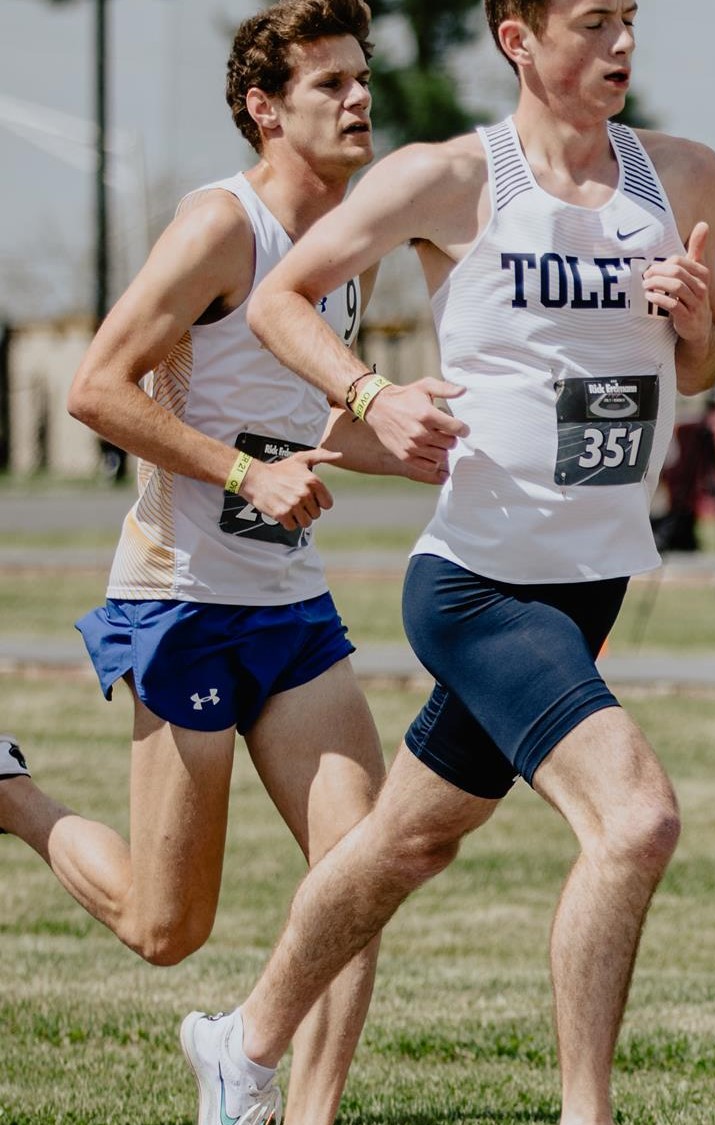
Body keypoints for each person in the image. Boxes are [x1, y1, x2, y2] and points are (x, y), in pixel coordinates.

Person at [180, 1, 715, 1122]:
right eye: (591, 21)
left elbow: (703, 370)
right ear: (518, 38)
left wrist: (704, 323)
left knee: (405, 842)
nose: (622, 43)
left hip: (592, 578)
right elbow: (282, 298)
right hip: (477, 583)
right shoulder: (450, 178)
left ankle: (243, 1044)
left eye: (630, 18)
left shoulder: (685, 176)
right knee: (634, 821)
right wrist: (369, 392)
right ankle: (589, 1113)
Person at [0, 4, 437, 1124]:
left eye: (361, 78)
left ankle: (298, 1111)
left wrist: (433, 453)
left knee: (359, 874)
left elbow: (307, 432)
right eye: (329, 83)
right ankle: (17, 799)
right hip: (181, 600)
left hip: (289, 607)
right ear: (264, 107)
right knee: (165, 929)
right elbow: (94, 388)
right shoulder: (219, 226)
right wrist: (247, 481)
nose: (358, 100)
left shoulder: (353, 243)